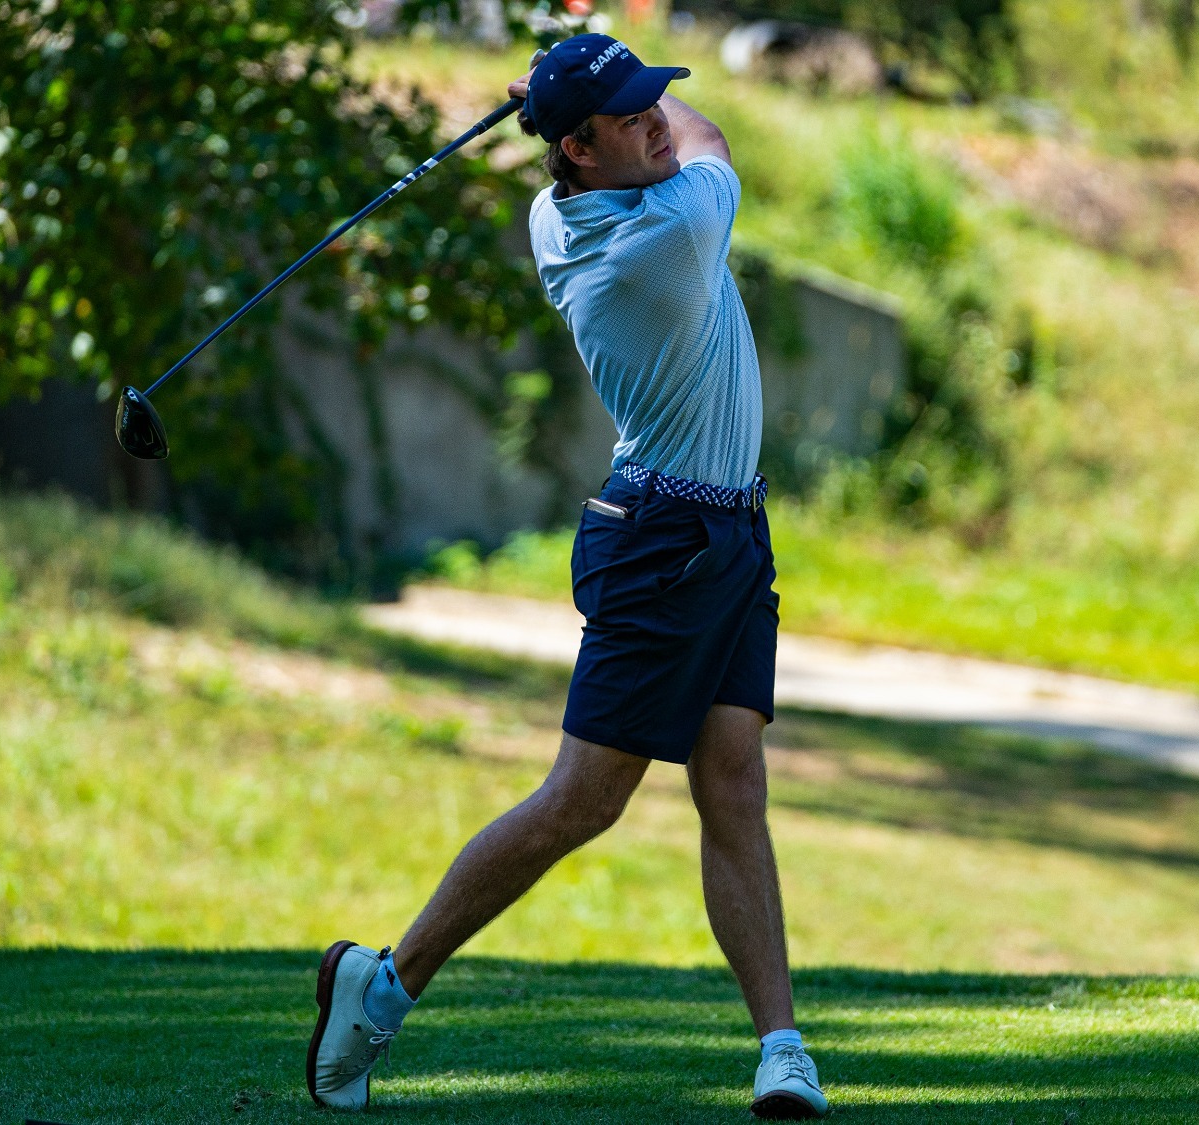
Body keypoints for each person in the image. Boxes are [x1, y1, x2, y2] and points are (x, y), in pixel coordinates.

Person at [307, 33, 829, 1119]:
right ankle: (382, 987)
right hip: (664, 542)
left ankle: (782, 1052)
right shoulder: (668, 236)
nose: (655, 121)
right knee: (579, 803)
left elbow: (639, 138)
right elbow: (712, 139)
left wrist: (568, 107)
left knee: (731, 781)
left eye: (652, 105)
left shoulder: (558, 209)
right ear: (580, 150)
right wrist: (568, 106)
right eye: (628, 116)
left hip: (723, 529)